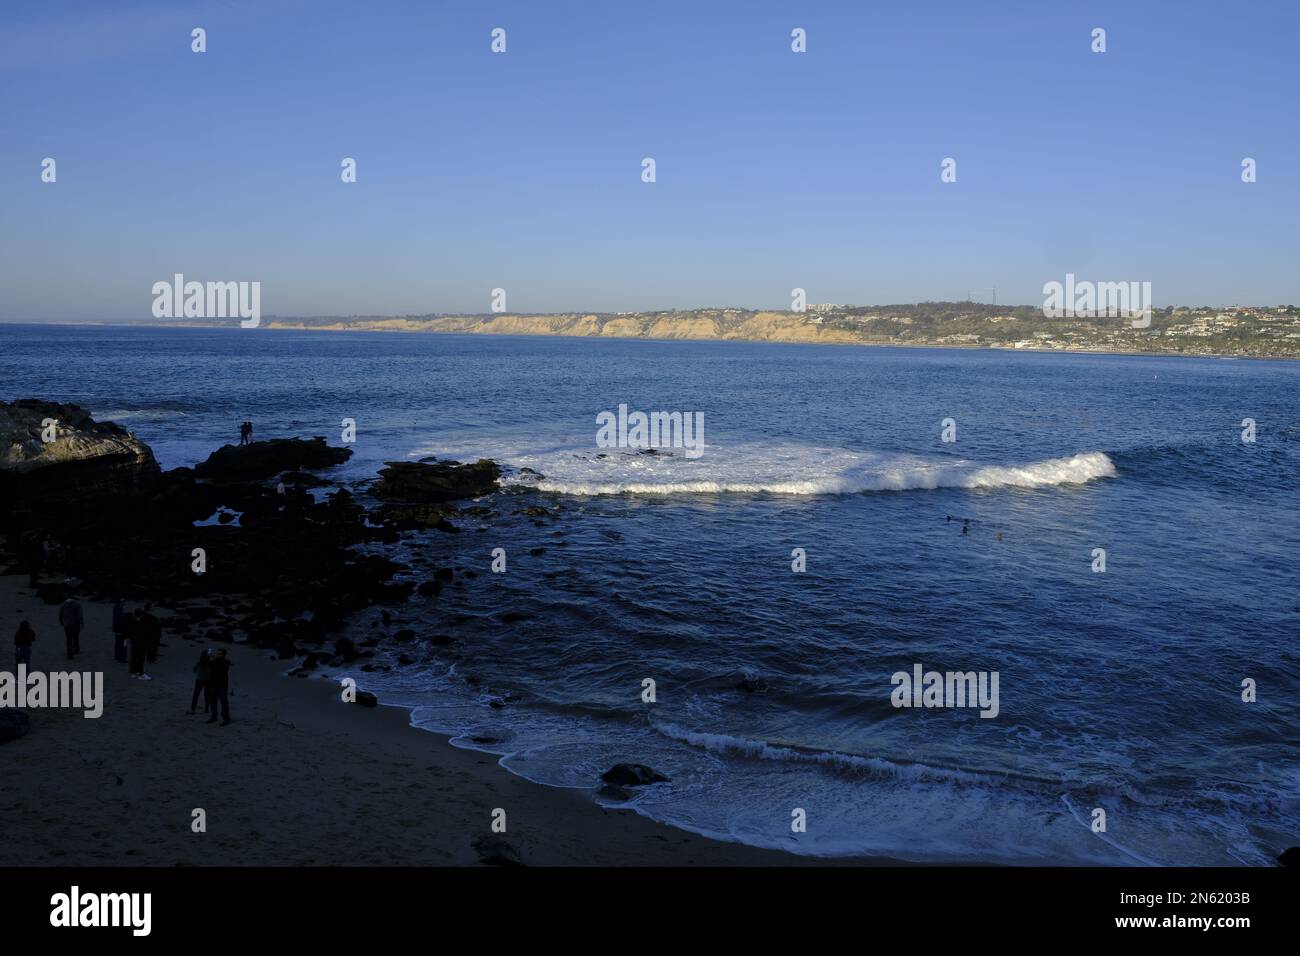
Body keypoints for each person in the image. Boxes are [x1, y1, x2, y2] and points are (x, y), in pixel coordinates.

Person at [206, 648, 232, 725]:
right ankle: (214, 717)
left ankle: (226, 719)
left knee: (224, 703)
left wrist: (212, 660)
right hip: (213, 684)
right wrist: (210, 659)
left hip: (222, 685)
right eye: (218, 653)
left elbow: (220, 668)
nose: (218, 654)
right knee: (213, 702)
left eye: (220, 653)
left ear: (223, 655)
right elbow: (209, 667)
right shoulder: (215, 661)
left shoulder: (225, 662)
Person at [127, 608, 152, 680]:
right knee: (140, 659)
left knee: (134, 658)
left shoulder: (132, 622)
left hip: (134, 643)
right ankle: (141, 674)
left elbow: (130, 632)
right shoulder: (142, 623)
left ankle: (134, 672)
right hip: (140, 644)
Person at [190, 648, 212, 715]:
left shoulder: (207, 662)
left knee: (204, 695)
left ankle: (203, 708)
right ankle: (196, 708)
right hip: (203, 680)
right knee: (200, 695)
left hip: (204, 680)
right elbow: (194, 669)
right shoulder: (203, 662)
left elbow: (194, 669)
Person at [111, 598, 129, 663]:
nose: (124, 603)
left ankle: (118, 656)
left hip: (118, 629)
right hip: (121, 630)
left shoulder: (116, 608)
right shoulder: (119, 609)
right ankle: (121, 657)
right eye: (123, 602)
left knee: (118, 643)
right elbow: (120, 619)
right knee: (123, 643)